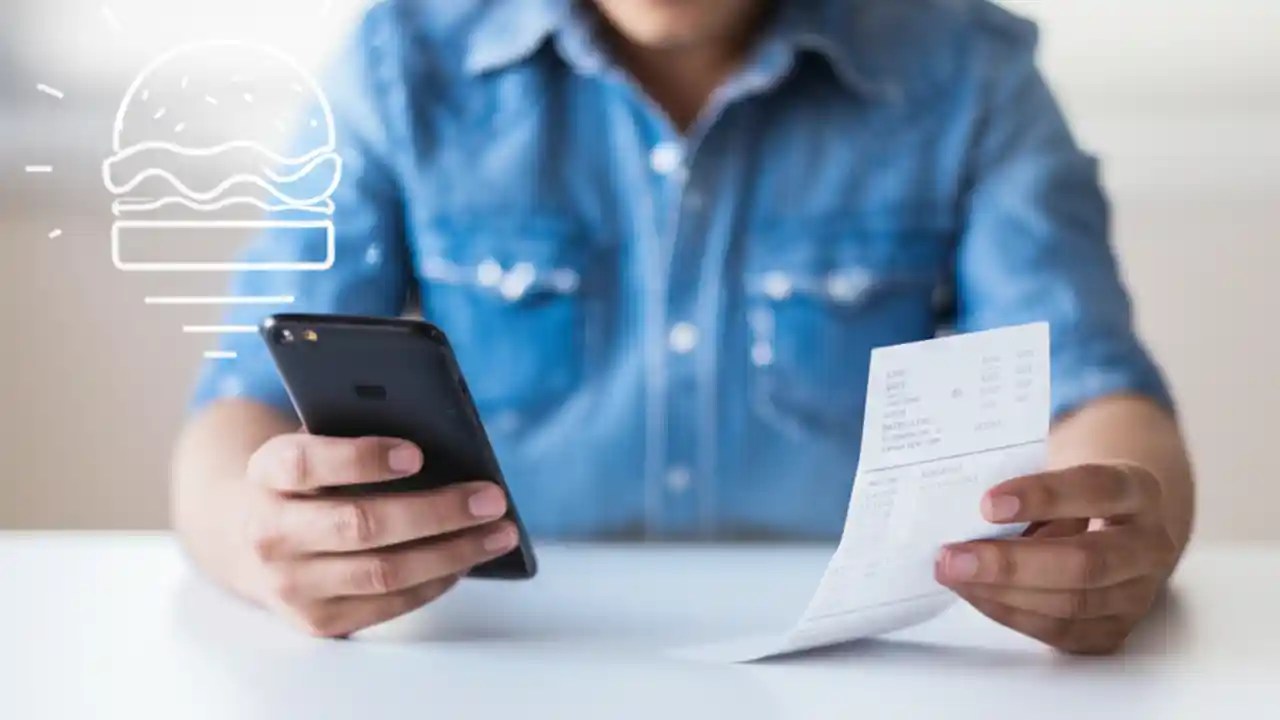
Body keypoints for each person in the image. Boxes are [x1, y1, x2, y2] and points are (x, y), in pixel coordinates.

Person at [172, 0, 1194, 653]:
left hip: (868, 669)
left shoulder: (969, 71)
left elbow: (1095, 387)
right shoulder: (398, 65)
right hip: (498, 664)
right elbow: (236, 413)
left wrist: (1112, 540)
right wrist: (259, 536)